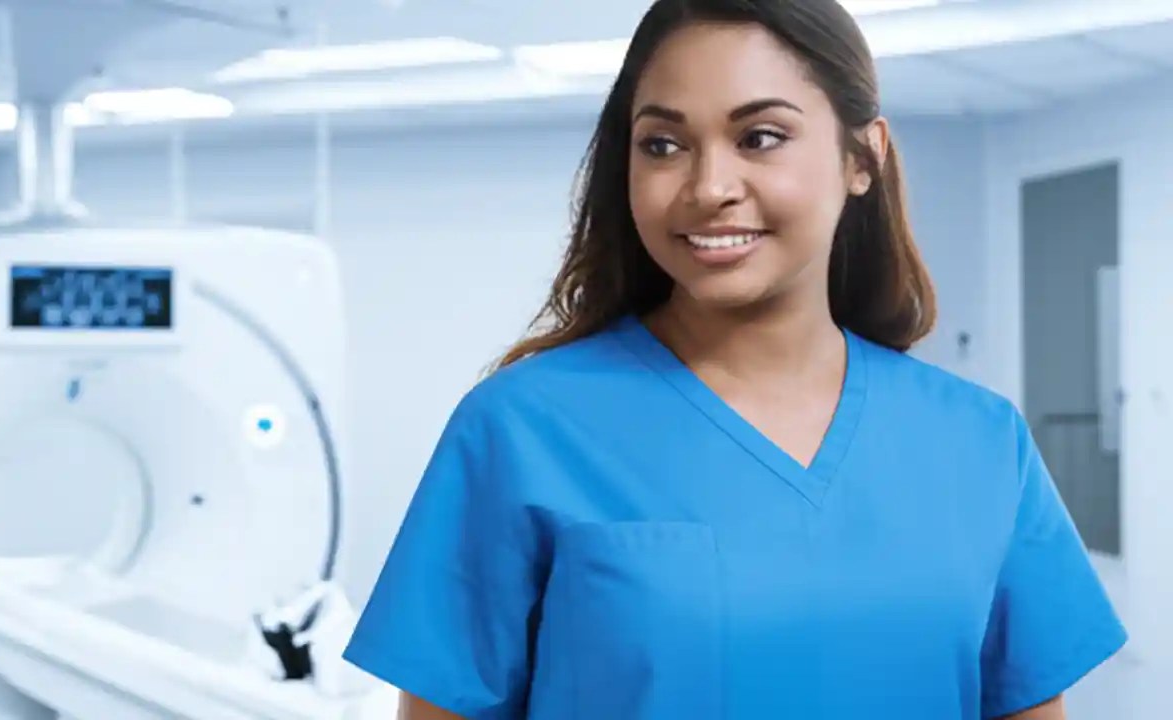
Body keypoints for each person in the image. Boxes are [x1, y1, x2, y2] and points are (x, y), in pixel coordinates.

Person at [341, 0, 1129, 718]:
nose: (709, 185)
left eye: (760, 137)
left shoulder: (980, 444)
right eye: (663, 144)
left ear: (864, 157)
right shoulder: (519, 429)